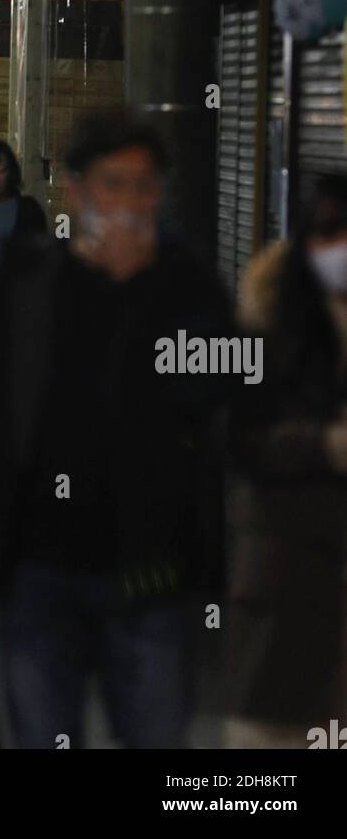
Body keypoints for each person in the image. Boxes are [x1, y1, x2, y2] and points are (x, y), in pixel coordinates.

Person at [0, 109, 235, 749]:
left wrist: (144, 300)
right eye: (112, 184)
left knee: (156, 737)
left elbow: (221, 393)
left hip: (151, 567)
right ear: (75, 190)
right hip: (36, 567)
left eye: (143, 186)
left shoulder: (188, 285)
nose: (128, 202)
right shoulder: (27, 280)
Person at [224, 174, 347, 748]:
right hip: (288, 572)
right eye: (328, 231)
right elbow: (241, 438)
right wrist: (321, 446)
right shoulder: (272, 314)